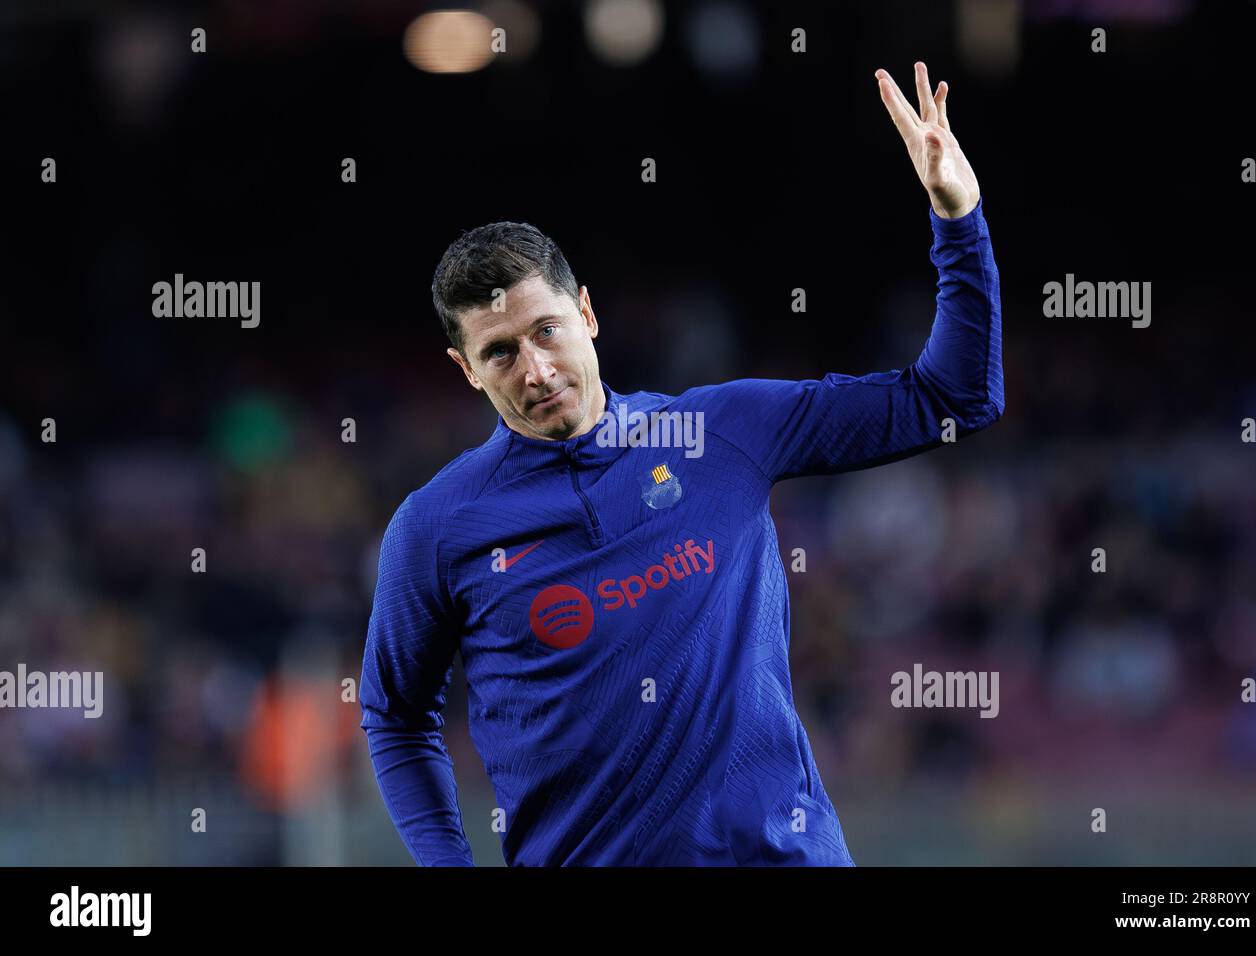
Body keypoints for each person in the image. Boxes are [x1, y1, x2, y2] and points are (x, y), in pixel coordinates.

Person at [359, 62, 1002, 865]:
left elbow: (952, 399)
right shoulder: (436, 526)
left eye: (548, 330)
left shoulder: (720, 431)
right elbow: (395, 716)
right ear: (465, 369)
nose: (535, 368)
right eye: (499, 351)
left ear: (586, 314)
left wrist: (957, 216)